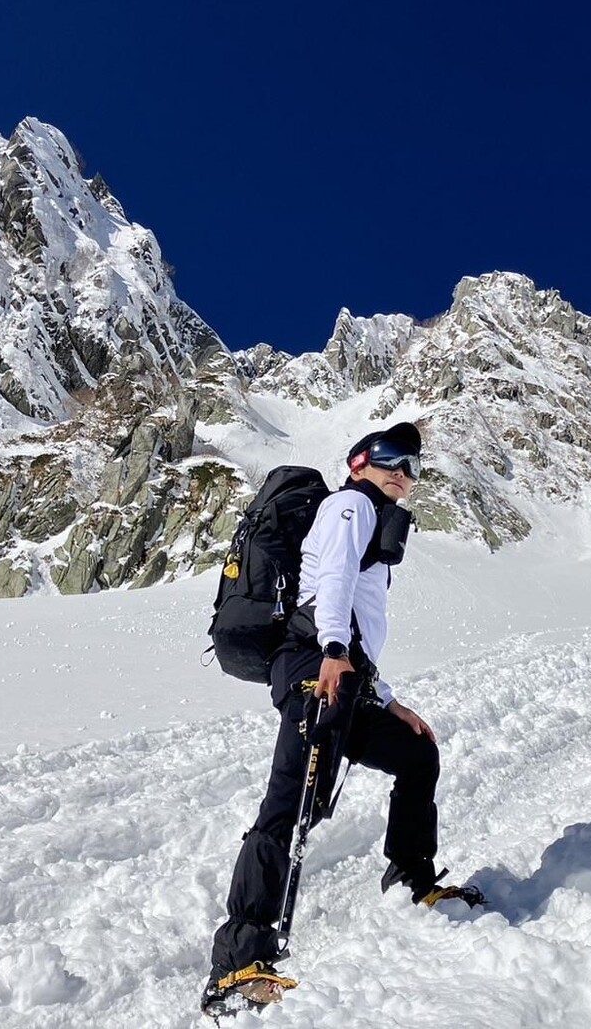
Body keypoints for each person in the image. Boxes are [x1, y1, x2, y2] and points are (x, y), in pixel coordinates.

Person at [203, 422, 467, 1013]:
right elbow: (333, 585)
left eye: (412, 465)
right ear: (358, 463)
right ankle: (238, 961)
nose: (403, 471)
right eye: (390, 458)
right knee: (291, 803)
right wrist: (331, 652)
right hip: (314, 662)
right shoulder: (350, 505)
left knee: (416, 754)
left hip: (346, 672)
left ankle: (411, 879)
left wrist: (387, 697)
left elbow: (358, 620)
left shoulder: (376, 517)